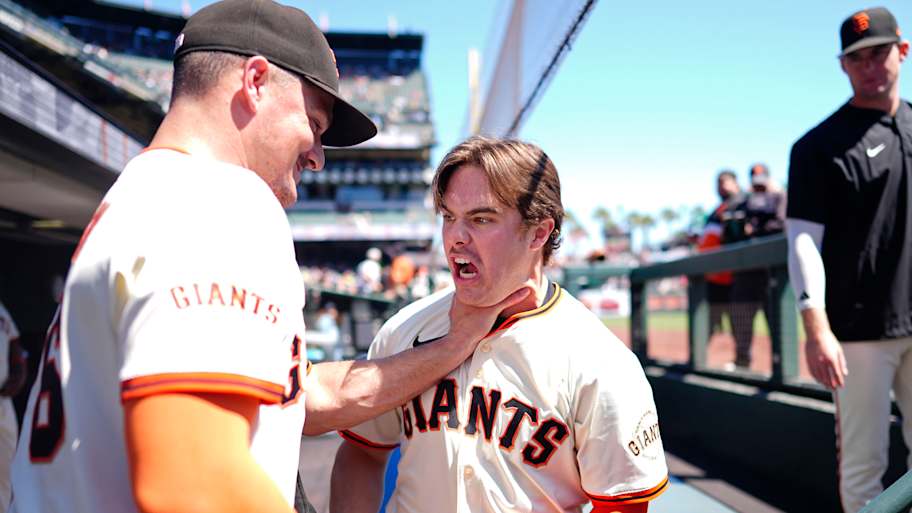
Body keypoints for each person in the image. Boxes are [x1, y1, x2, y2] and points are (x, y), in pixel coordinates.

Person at [9, 2, 529, 513]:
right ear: (255, 81)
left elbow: (305, 395)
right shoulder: (222, 199)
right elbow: (193, 481)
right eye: (316, 126)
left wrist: (456, 342)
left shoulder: (143, 193)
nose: (317, 157)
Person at [330, 137, 668, 513]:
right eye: (449, 217)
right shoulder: (404, 329)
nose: (456, 237)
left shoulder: (600, 360)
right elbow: (363, 451)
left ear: (539, 233)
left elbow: (621, 505)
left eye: (481, 219)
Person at [786, 7, 911, 512]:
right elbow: (801, 243)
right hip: (858, 333)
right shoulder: (818, 145)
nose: (870, 65)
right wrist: (817, 329)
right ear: (843, 66)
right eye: (857, 57)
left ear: (902, 51)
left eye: (879, 52)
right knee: (865, 469)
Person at [729, 163, 786, 369]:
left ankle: (781, 365)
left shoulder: (779, 197)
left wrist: (755, 229)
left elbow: (781, 225)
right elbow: (733, 230)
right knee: (740, 319)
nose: (760, 188)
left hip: (771, 271)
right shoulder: (743, 202)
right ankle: (742, 360)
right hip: (746, 272)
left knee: (776, 320)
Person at [697, 170, 743, 335]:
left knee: (738, 319)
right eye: (718, 183)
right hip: (713, 273)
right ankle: (702, 358)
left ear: (735, 183)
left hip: (733, 274)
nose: (720, 187)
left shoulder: (742, 202)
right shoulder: (716, 210)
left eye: (724, 182)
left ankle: (741, 359)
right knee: (709, 320)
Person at [0, 300, 25, 510]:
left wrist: (18, 374)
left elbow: (16, 347)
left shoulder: (1, 310)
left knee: (6, 470)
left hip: (2, 402)